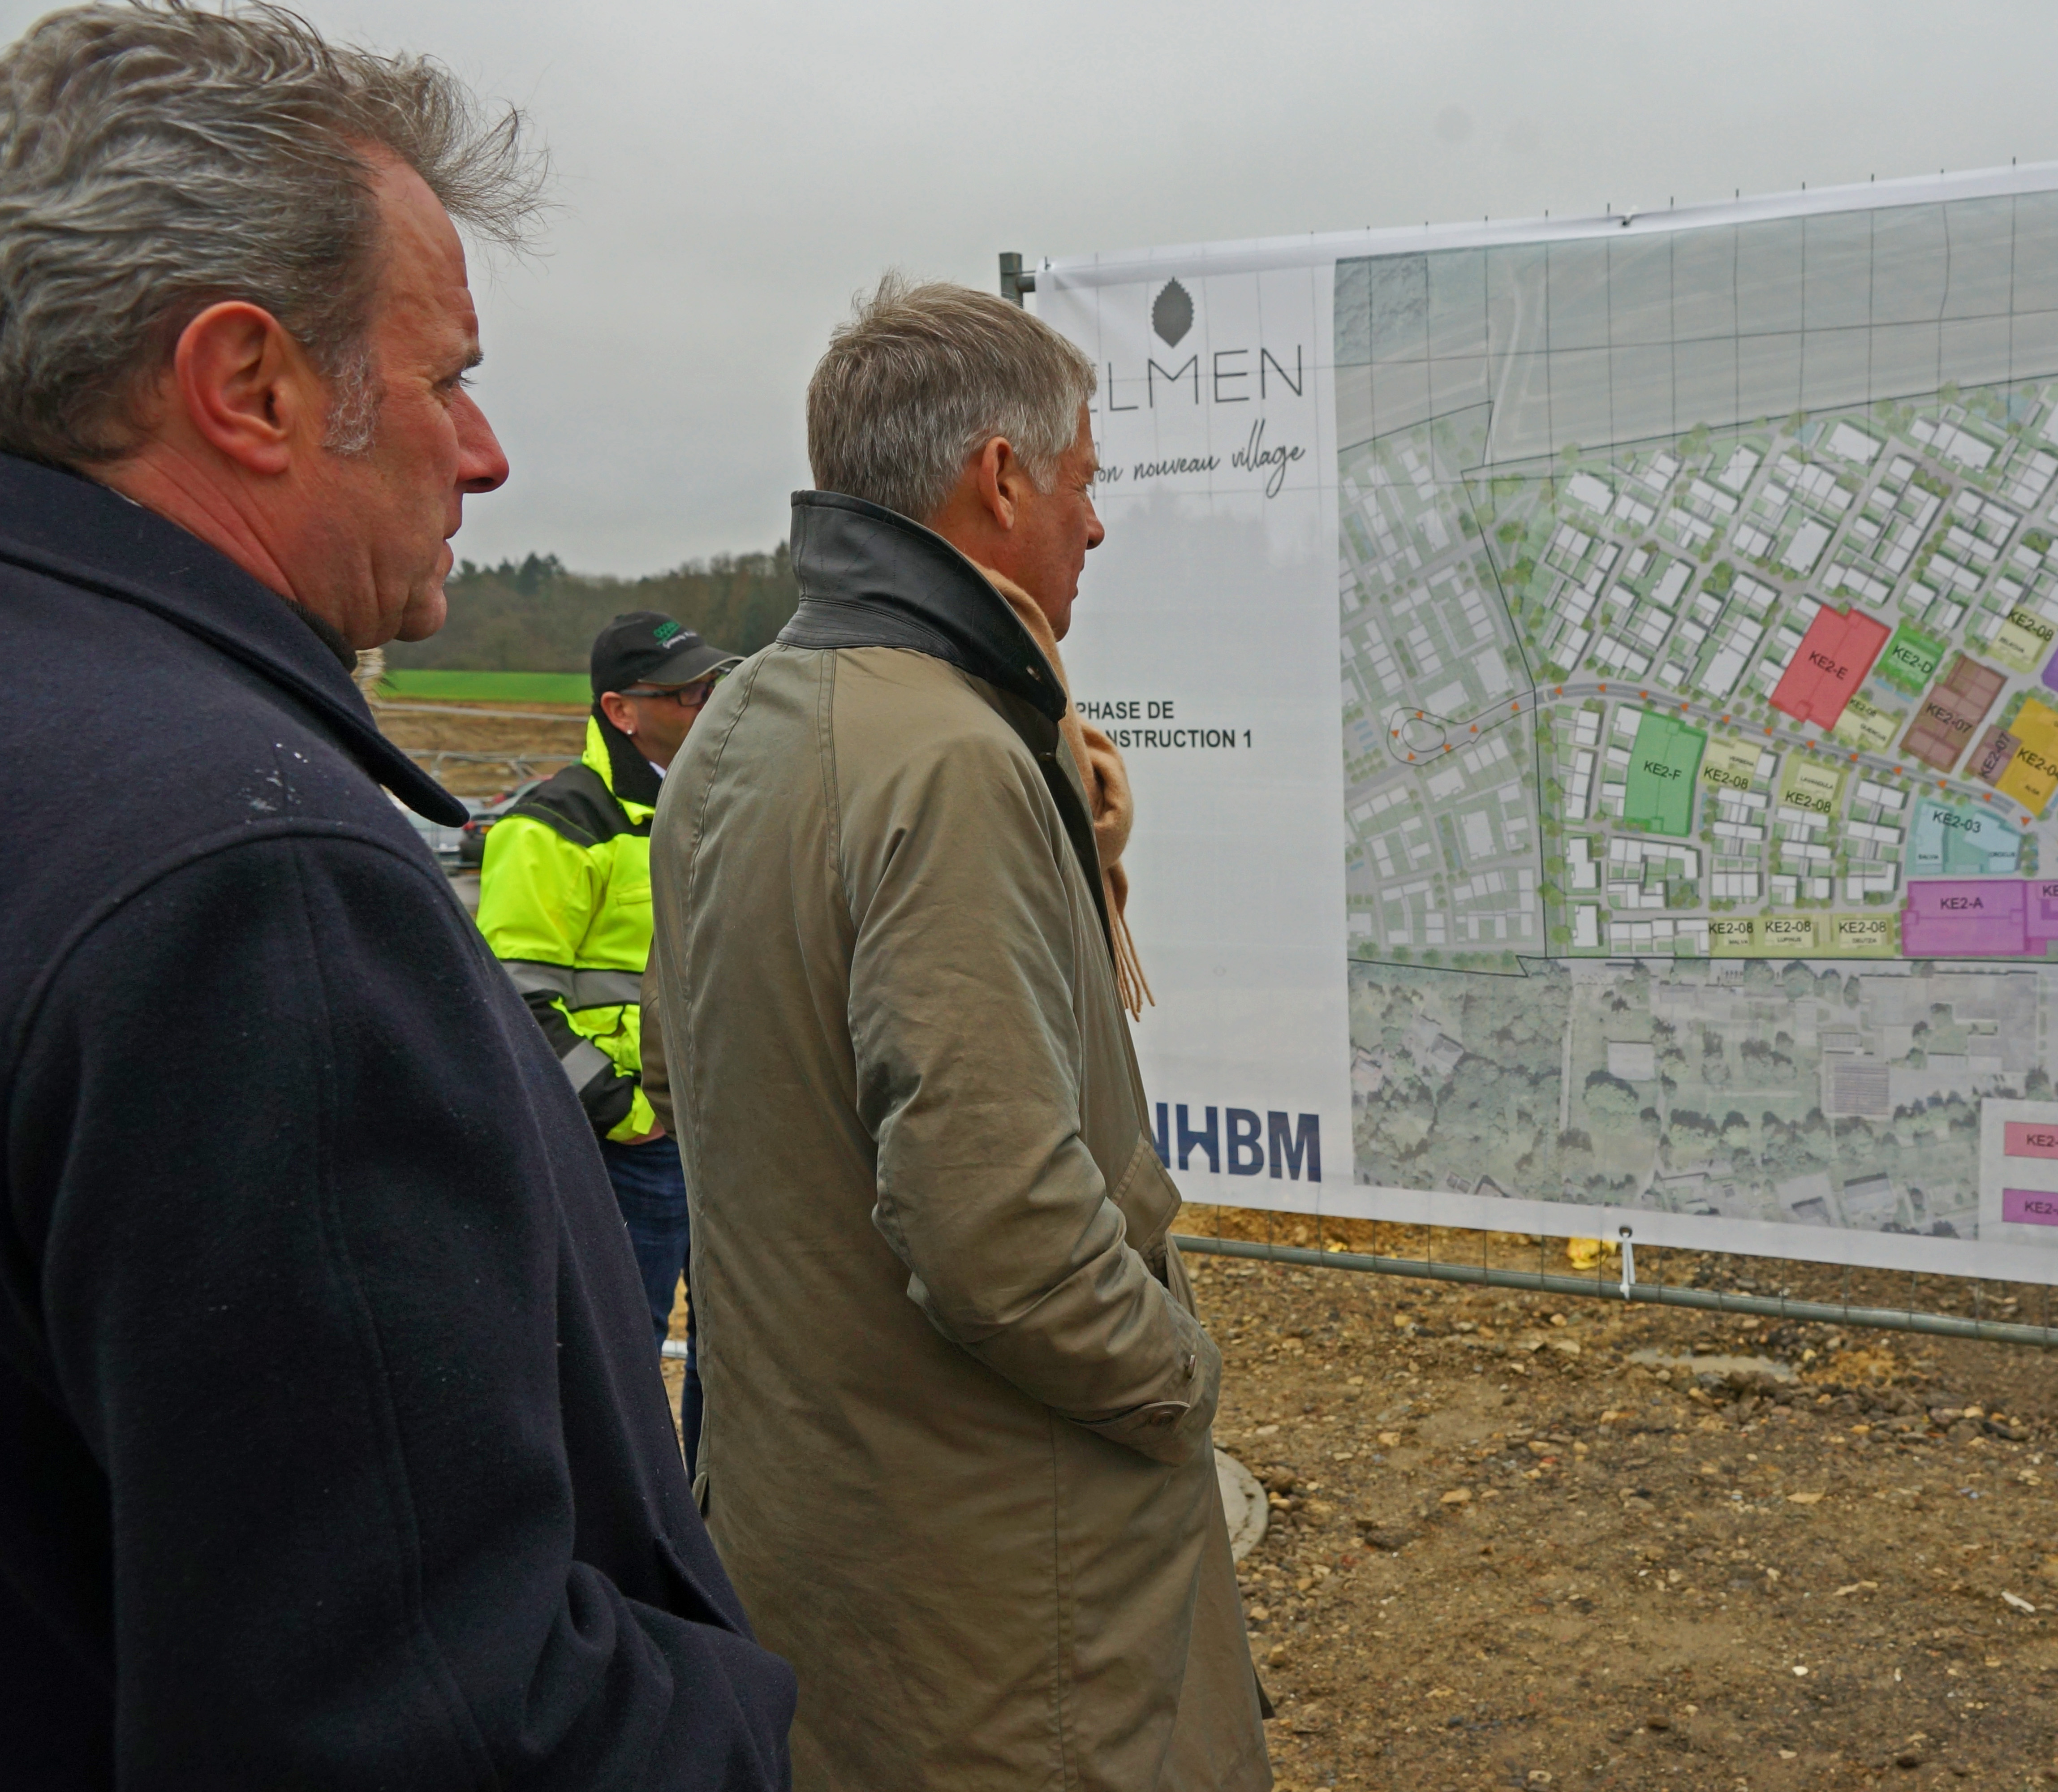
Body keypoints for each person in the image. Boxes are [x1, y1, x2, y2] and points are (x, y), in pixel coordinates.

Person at [0, 7, 792, 1785]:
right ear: (251, 386)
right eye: (448, 377)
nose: (487, 454)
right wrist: (733, 1724)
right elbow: (425, 1717)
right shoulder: (248, 879)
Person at [651, 277, 1264, 1791]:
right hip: (1007, 1595)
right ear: (999, 479)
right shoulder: (947, 755)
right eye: (1086, 483)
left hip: (816, 1530)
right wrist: (1176, 1380)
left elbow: (693, 1080)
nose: (1098, 527)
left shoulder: (739, 722)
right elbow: (994, 1216)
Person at [479, 608, 737, 1457]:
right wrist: (629, 1115)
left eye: (710, 687)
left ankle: (714, 1535)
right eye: (685, 693)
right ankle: (625, 1556)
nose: (706, 704)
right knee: (618, 1364)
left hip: (724, 1134)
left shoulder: (713, 807)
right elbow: (514, 999)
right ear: (622, 711)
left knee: (740, 1357)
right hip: (631, 1146)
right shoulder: (554, 824)